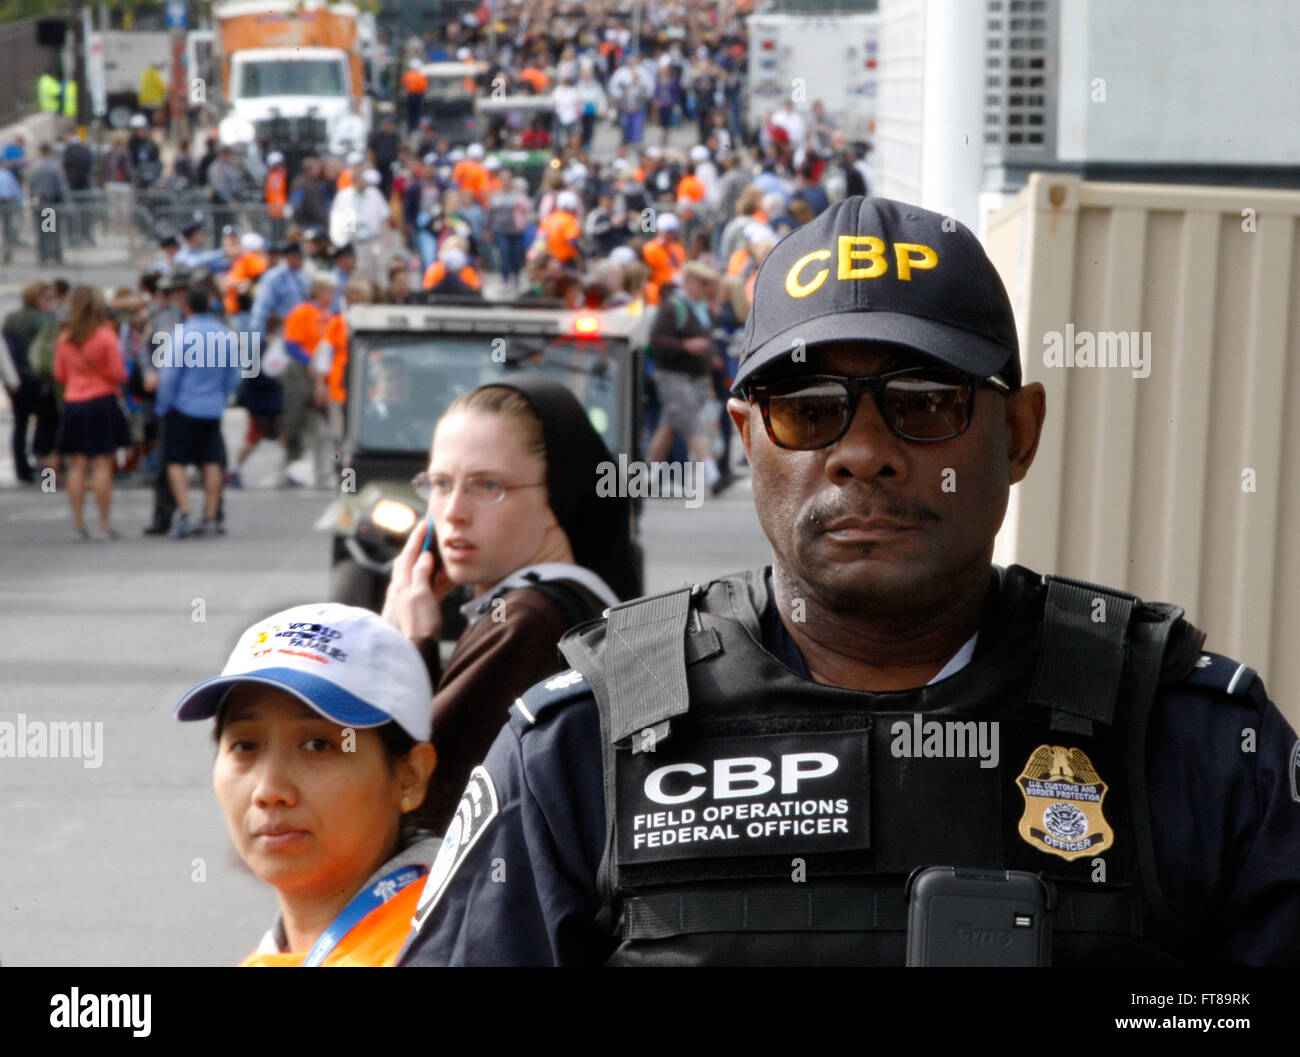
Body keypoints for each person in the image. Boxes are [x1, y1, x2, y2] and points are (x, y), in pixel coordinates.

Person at [397, 197, 1300, 967]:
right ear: (747, 439)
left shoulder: (1195, 742)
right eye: (807, 410)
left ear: (1019, 433)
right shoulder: (578, 749)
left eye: (925, 403)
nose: (863, 452)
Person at [381, 376, 640, 834]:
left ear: (558, 497)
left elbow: (405, 802)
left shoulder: (528, 622)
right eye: (440, 484)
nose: (453, 511)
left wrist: (408, 642)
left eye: (487, 485)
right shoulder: (584, 605)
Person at [172, 603, 438, 967]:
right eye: (245, 745)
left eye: (317, 745)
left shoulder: (452, 944)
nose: (269, 790)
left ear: (411, 776)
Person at [155, 287, 241, 538]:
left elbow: (169, 376)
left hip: (184, 405)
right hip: (212, 407)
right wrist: (222, 397)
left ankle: (184, 511)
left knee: (176, 461)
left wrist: (164, 405)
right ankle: (211, 515)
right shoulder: (225, 335)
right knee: (212, 460)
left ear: (187, 307)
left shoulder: (182, 335)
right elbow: (234, 375)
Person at [52, 287, 129, 540]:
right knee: (102, 464)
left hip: (74, 403)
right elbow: (119, 373)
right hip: (101, 402)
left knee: (77, 465)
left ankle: (78, 523)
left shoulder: (66, 337)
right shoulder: (106, 336)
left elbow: (60, 375)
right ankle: (104, 524)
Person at [3, 281, 56, 484]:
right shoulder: (44, 321)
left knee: (20, 424)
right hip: (39, 379)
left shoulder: (11, 319)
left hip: (15, 380)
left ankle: (21, 469)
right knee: (45, 426)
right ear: (38, 298)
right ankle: (46, 475)